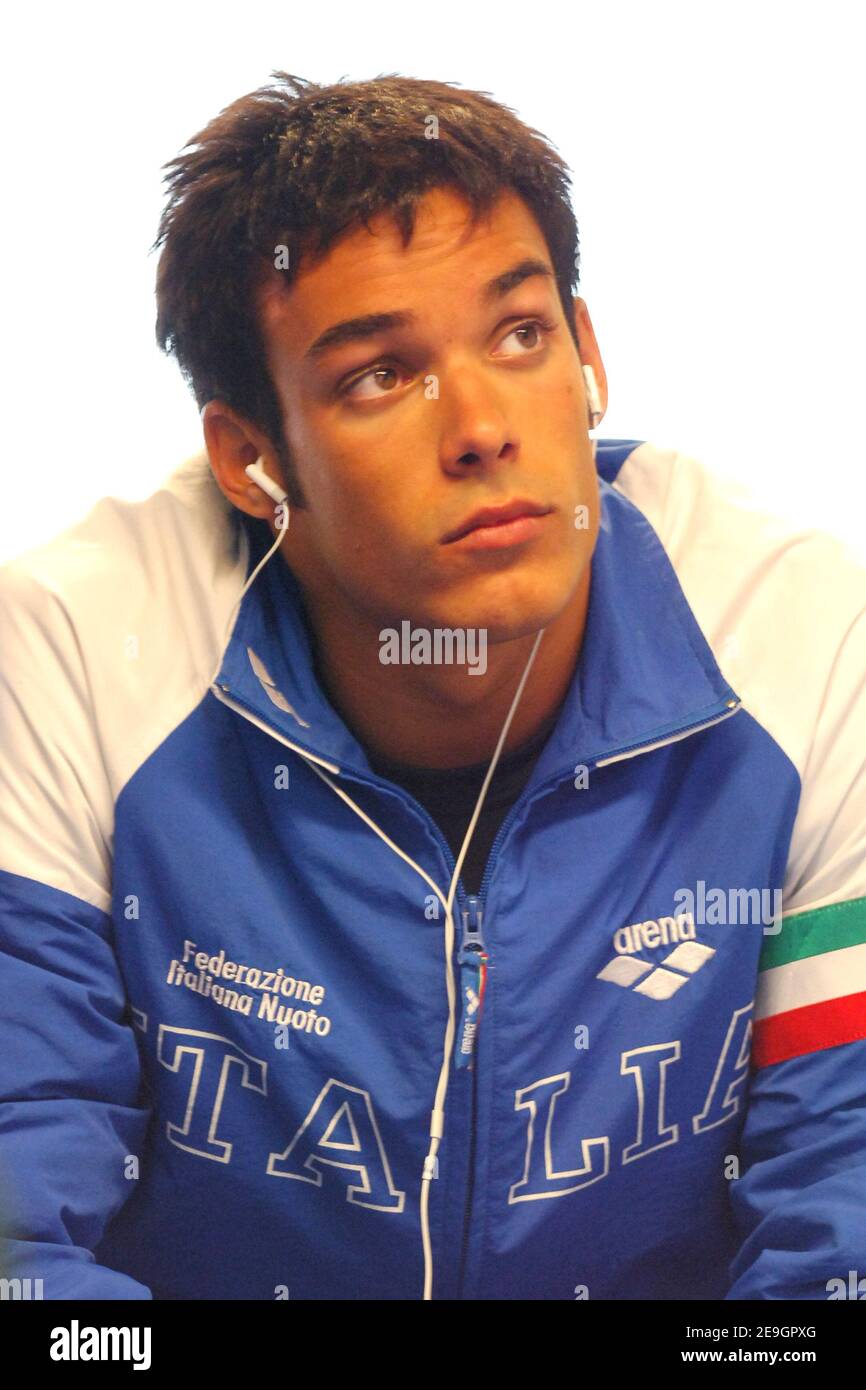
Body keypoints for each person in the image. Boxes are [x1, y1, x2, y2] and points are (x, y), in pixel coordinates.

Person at [1, 71, 864, 1303]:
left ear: (587, 353)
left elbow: (843, 1227)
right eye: (375, 374)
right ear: (250, 460)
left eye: (519, 335)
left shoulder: (807, 641)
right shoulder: (75, 646)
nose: (479, 427)